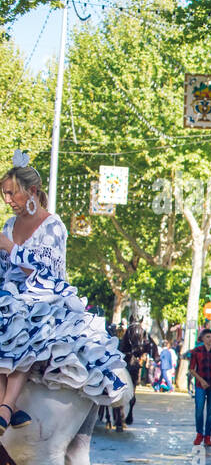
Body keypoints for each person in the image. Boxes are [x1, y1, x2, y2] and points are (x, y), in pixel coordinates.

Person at [0, 158, 130, 430]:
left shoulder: (53, 225)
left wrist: (8, 247)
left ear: (33, 191)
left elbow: (41, 269)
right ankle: (12, 410)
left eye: (13, 192)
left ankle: (7, 406)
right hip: (8, 293)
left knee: (22, 321)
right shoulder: (9, 225)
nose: (7, 199)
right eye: (4, 193)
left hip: (44, 294)